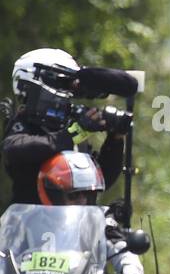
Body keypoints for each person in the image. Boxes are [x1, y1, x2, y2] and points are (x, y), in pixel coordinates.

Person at [3, 49, 126, 206]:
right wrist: (73, 134)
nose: (69, 91)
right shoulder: (25, 123)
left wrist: (115, 139)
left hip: (73, 227)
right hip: (32, 227)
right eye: (62, 82)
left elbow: (99, 180)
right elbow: (13, 149)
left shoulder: (69, 124)